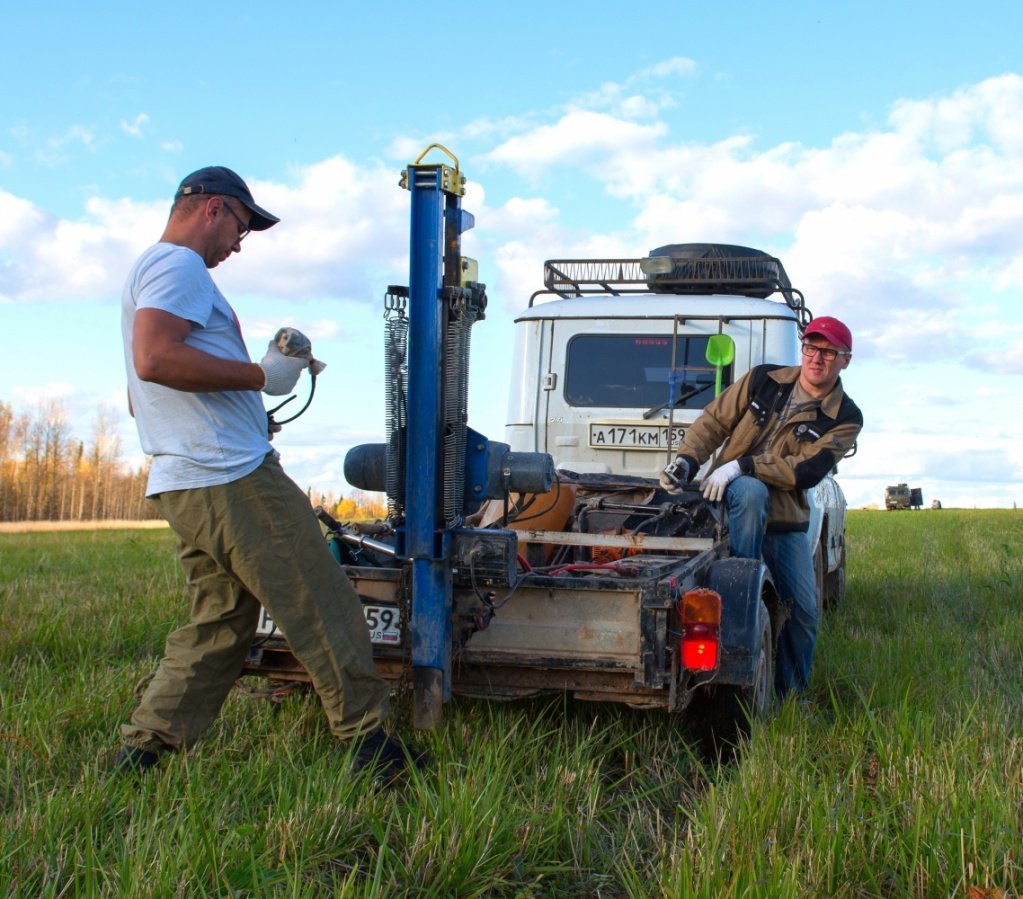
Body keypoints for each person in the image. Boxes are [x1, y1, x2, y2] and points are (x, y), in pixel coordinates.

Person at [116, 165, 420, 781]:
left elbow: (138, 395)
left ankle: (143, 750)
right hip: (229, 478)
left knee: (222, 621)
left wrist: (246, 412)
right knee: (319, 598)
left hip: (185, 479)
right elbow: (155, 360)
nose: (239, 243)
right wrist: (262, 376)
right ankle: (370, 746)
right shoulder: (179, 266)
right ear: (214, 208)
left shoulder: (148, 272)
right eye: (242, 226)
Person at [660, 317, 863, 696]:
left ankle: (791, 696)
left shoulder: (845, 417)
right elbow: (714, 420)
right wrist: (687, 460)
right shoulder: (764, 379)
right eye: (811, 347)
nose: (817, 358)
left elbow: (806, 470)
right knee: (751, 492)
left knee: (805, 612)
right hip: (730, 501)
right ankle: (743, 596)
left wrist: (744, 465)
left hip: (784, 522)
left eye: (829, 352)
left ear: (845, 360)